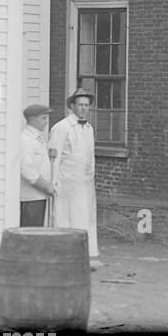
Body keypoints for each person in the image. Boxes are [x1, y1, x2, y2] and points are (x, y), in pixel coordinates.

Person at [49, 88, 101, 266]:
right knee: (67, 217)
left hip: (85, 183)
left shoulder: (89, 128)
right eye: (80, 105)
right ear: (72, 106)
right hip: (67, 182)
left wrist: (91, 176)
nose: (84, 108)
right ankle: (64, 255)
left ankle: (85, 254)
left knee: (85, 217)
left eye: (87, 105)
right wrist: (53, 183)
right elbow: (53, 159)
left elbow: (90, 156)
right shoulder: (61, 127)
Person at [19, 103, 55, 226]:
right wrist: (46, 186)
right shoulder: (25, 139)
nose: (46, 122)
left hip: (39, 196)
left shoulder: (37, 138)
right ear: (33, 119)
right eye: (43, 118)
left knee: (36, 233)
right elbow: (27, 170)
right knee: (30, 236)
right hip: (30, 197)